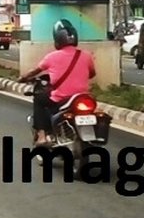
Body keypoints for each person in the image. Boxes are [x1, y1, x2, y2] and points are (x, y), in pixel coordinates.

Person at [17, 19, 96, 147]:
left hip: (61, 98)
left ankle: (42, 137)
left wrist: (23, 78)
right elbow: (92, 73)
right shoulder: (86, 56)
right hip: (82, 97)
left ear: (57, 40)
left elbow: (35, 71)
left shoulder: (52, 57)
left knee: (39, 99)